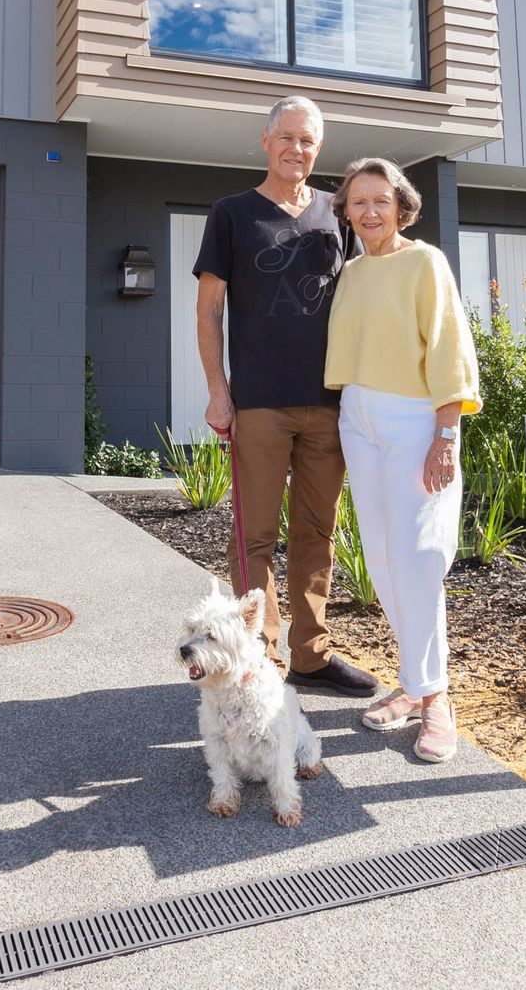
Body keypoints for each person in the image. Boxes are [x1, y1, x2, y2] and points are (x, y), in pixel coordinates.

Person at [194, 96, 375, 697]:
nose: (298, 150)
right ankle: (259, 660)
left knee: (316, 532)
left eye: (310, 142)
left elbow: (364, 298)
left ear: (318, 149)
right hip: (260, 404)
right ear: (266, 140)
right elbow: (209, 311)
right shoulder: (232, 214)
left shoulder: (338, 214)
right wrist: (219, 394)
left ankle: (312, 657)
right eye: (288, 138)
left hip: (329, 403)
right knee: (253, 537)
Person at [324, 156, 481, 764]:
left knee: (418, 556)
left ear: (401, 207)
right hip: (358, 417)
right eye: (357, 202)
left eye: (380, 201)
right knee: (384, 559)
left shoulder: (425, 262)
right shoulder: (353, 272)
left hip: (418, 417)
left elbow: (449, 345)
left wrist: (446, 434)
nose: (368, 211)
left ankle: (435, 698)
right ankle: (415, 685)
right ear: (346, 211)